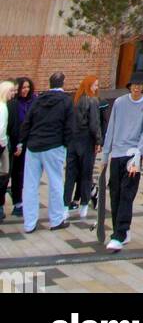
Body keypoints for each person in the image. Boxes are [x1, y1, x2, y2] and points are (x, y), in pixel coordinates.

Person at [101, 76, 143, 251]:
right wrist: (105, 155)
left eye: (140, 85)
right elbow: (111, 127)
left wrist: (137, 157)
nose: (137, 88)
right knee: (115, 193)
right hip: (117, 153)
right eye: (134, 85)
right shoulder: (119, 103)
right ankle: (122, 230)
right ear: (129, 86)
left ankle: (119, 233)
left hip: (133, 154)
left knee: (127, 194)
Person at [19, 71, 75, 233]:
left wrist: (23, 142)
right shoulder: (66, 101)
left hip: (34, 145)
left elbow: (27, 122)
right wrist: (65, 145)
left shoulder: (38, 100)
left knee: (29, 185)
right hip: (54, 145)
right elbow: (70, 126)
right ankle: (56, 220)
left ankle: (29, 223)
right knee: (56, 182)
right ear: (63, 83)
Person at [64, 75, 102, 219]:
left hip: (73, 141)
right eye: (95, 85)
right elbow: (94, 124)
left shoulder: (74, 100)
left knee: (70, 175)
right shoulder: (92, 101)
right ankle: (84, 205)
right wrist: (98, 141)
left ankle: (65, 207)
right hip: (86, 141)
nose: (96, 88)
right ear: (89, 86)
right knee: (86, 174)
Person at [7, 77, 35, 217]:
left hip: (29, 142)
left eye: (27, 87)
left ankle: (21, 200)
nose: (25, 90)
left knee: (24, 173)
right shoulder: (14, 104)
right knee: (15, 172)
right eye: (23, 88)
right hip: (16, 142)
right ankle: (17, 201)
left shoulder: (32, 102)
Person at [0, 81, 16, 221]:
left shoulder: (4, 106)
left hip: (3, 144)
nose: (14, 93)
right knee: (4, 174)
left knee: (5, 173)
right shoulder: (2, 107)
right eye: (11, 91)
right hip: (2, 145)